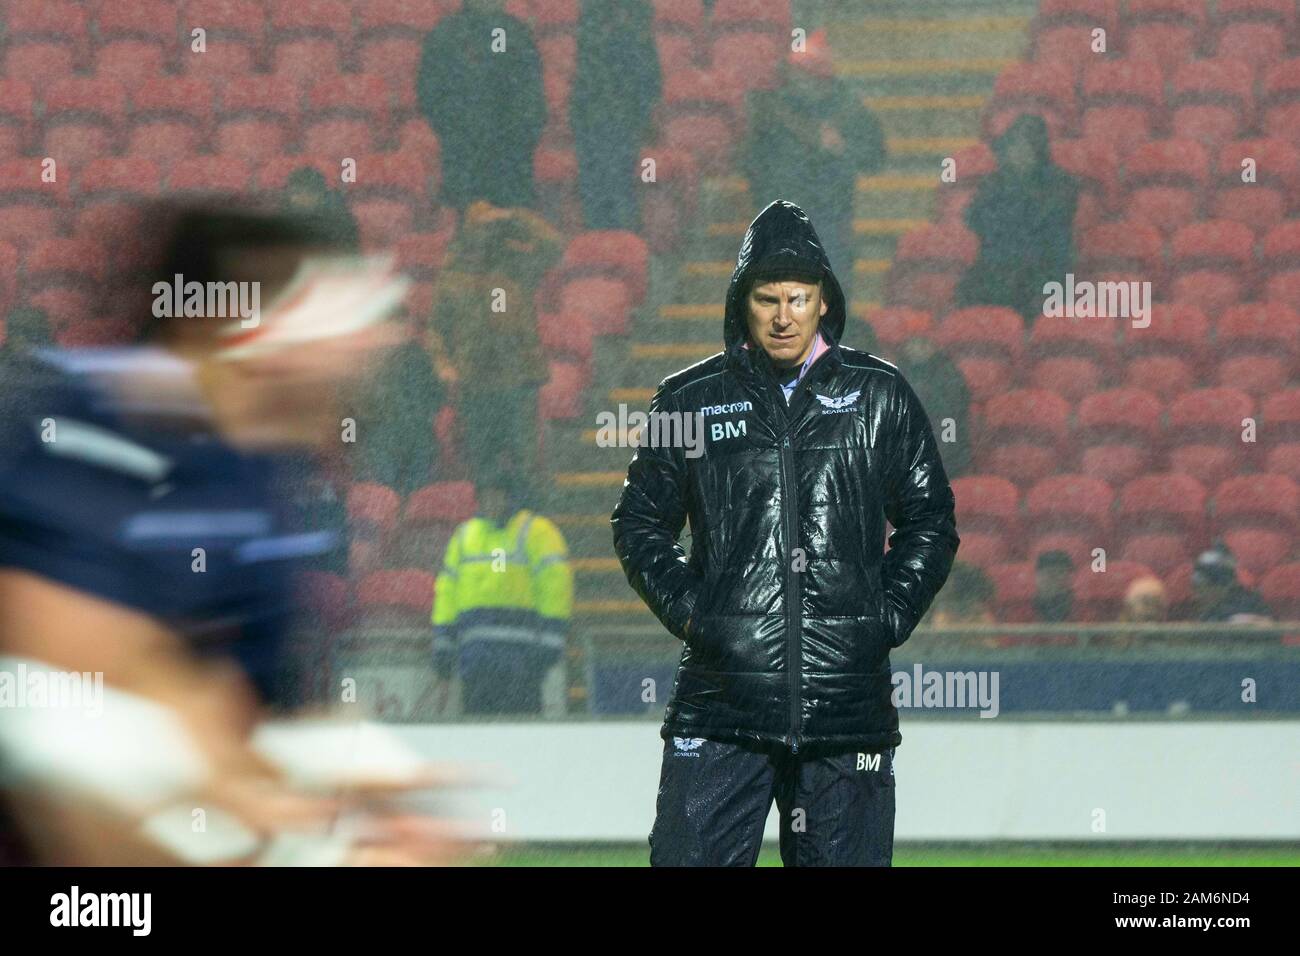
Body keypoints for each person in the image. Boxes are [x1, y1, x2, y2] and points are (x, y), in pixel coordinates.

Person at [0, 204, 459, 866]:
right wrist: (260, 810)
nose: (363, 346)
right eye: (322, 317)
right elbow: (65, 687)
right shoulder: (75, 424)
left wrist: (358, 782)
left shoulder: (262, 475)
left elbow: (240, 699)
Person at [612, 199, 959, 866]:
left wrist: (879, 619)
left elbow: (931, 522)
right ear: (742, 304)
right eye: (766, 298)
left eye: (797, 297)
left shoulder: (880, 396)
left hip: (847, 714)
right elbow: (638, 524)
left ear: (823, 300)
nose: (782, 314)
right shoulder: (688, 401)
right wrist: (701, 616)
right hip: (719, 708)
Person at [741, 30, 887, 308]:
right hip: (783, 219)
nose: (799, 81)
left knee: (830, 294)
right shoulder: (772, 113)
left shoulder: (850, 111)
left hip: (830, 214)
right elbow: (752, 163)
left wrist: (842, 150)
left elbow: (874, 157)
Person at [430, 199, 564, 481]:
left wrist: (512, 215)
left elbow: (554, 245)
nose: (484, 234)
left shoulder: (517, 264)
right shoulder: (453, 275)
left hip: (517, 377)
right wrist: (444, 364)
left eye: (489, 228)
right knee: (483, 466)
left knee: (525, 466)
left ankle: (528, 517)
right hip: (475, 380)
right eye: (478, 227)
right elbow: (436, 330)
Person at [431, 468, 573, 716]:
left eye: (498, 496)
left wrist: (551, 639)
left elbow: (556, 586)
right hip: (477, 663)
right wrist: (443, 640)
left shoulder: (537, 532)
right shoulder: (464, 536)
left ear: (511, 497)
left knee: (521, 738)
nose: (492, 502)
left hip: (523, 663)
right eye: (486, 497)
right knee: (481, 741)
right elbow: (447, 592)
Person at [416, 0, 546, 211]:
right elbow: (431, 96)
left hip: (511, 165)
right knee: (472, 231)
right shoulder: (446, 36)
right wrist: (462, 130)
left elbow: (532, 101)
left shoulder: (516, 34)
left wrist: (512, 134)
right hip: (464, 164)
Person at [954, 113, 1079, 324]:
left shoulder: (1061, 183)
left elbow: (1047, 225)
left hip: (1043, 268)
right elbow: (974, 219)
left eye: (1026, 147)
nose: (1019, 154)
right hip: (997, 266)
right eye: (1014, 147)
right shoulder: (994, 183)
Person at [570, 0, 661, 231]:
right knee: (597, 189)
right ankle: (602, 243)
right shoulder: (592, 16)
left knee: (622, 189)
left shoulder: (637, 16)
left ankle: (627, 244)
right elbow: (586, 74)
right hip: (594, 118)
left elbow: (649, 78)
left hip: (627, 120)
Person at [351, 314, 445, 495]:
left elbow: (436, 396)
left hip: (404, 435)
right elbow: (436, 396)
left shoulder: (379, 359)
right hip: (397, 434)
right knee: (407, 491)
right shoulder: (411, 355)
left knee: (402, 491)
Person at [894, 334, 971, 478]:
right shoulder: (897, 372)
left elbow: (952, 417)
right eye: (912, 344)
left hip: (944, 440)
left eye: (922, 344)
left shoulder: (948, 373)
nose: (917, 349)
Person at [1191, 544, 1273, 624]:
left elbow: (1268, 626)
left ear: (1225, 585)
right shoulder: (1204, 610)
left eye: (1203, 589)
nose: (1197, 595)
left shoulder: (1250, 601)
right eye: (1197, 588)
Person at [283, 167, 360, 251]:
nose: (302, 198)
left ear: (321, 194)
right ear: (289, 195)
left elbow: (348, 256)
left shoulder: (340, 222)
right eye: (297, 193)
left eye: (309, 193)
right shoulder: (281, 222)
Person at [1033, 550, 1075, 623]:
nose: (1054, 578)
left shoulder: (1083, 608)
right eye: (1049, 573)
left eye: (1060, 572)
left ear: (1069, 577)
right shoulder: (1021, 609)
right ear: (1037, 577)